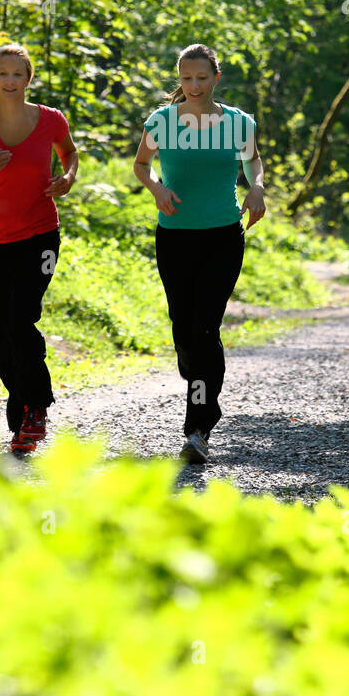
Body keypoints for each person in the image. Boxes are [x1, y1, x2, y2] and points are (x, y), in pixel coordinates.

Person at [133, 42, 266, 465]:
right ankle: (202, 391)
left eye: (202, 78)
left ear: (216, 79)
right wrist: (156, 188)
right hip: (174, 236)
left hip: (223, 236)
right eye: (187, 78)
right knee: (184, 330)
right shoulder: (162, 122)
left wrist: (257, 188)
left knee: (205, 327)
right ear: (179, 78)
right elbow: (141, 165)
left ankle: (198, 427)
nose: (194, 85)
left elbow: (254, 161)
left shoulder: (238, 123)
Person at [0, 43, 78, 454]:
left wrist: (67, 177)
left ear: (28, 79)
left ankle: (36, 409)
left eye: (18, 74)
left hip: (41, 236)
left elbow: (70, 154)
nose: (10, 81)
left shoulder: (49, 120)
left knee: (20, 318)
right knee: (0, 332)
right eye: (3, 74)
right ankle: (23, 414)